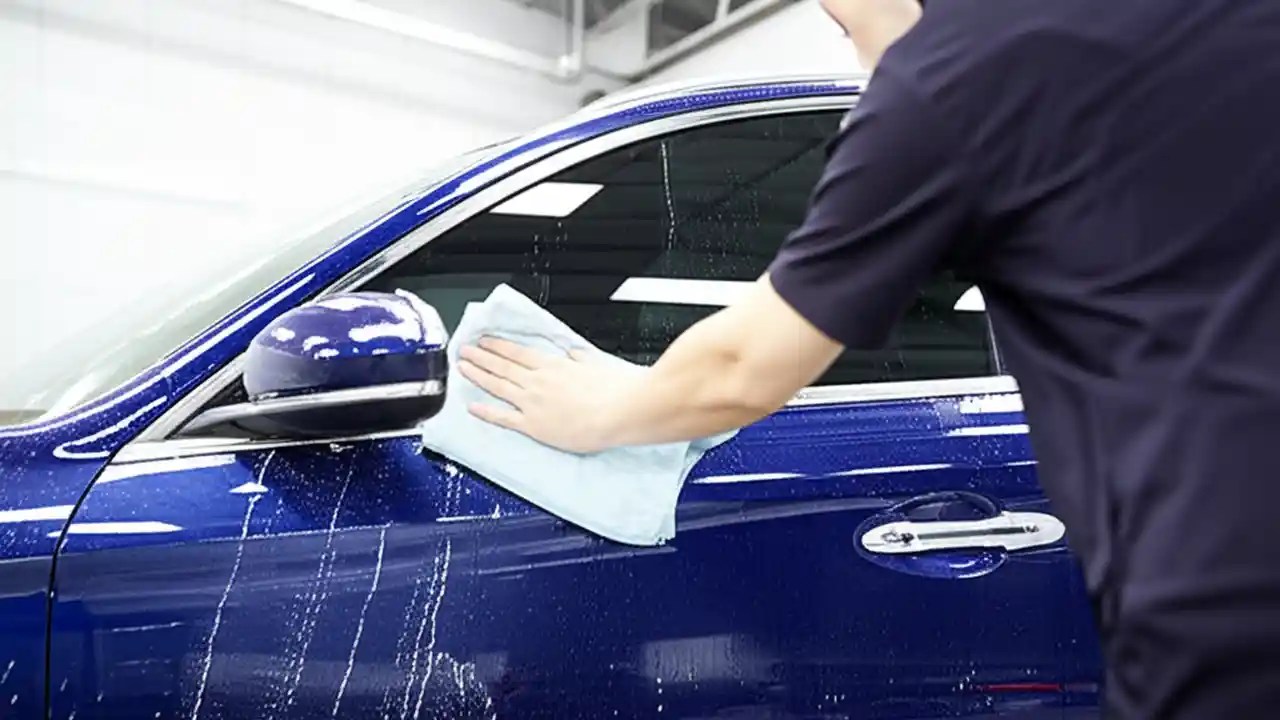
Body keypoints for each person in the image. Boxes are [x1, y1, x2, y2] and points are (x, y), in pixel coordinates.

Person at [457, 0, 1280, 716]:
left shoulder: (963, 69)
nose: (855, 59)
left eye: (843, 22)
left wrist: (603, 408)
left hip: (1222, 603)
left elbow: (741, 365)